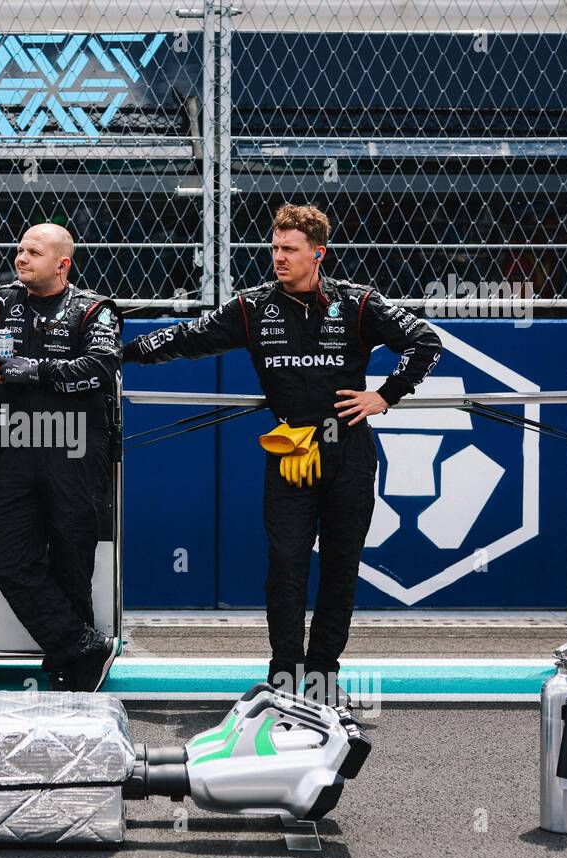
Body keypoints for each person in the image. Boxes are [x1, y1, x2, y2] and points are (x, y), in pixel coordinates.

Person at [122, 204, 442, 704]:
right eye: (274, 248)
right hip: (292, 450)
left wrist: (386, 395)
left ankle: (323, 676)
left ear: (318, 254)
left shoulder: (358, 303)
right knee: (286, 563)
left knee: (341, 565)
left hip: (349, 451)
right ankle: (286, 676)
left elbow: (425, 342)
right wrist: (119, 352)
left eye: (289, 249)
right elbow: (187, 338)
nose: (278, 258)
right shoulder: (253, 307)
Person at [0, 223, 122, 692]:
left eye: (33, 251)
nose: (21, 257)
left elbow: (102, 367)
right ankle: (82, 645)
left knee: (72, 562)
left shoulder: (94, 309)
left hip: (76, 448)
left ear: (62, 263)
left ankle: (75, 672)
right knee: (6, 558)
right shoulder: (1, 301)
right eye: (20, 249)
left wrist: (36, 371)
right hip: (19, 445)